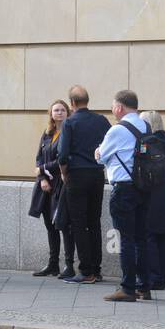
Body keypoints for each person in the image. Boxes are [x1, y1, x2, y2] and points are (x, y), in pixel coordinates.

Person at [97, 90, 150, 302]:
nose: (112, 110)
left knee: (126, 239)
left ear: (119, 107)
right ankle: (143, 286)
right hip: (142, 188)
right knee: (141, 239)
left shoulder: (117, 130)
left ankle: (127, 288)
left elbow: (101, 157)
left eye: (113, 106)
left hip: (123, 189)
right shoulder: (145, 126)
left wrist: (97, 152)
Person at [58, 85, 111, 285]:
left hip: (76, 175)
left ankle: (86, 270)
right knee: (94, 222)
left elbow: (62, 155)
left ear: (71, 103)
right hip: (97, 175)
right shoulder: (101, 121)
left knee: (79, 224)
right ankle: (96, 269)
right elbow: (108, 147)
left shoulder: (70, 123)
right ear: (88, 100)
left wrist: (65, 174)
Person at [30, 100, 71, 277]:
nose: (59, 113)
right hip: (46, 187)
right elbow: (38, 159)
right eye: (56, 110)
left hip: (61, 186)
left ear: (68, 112)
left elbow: (63, 158)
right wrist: (42, 178)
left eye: (62, 110)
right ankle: (52, 263)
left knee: (63, 224)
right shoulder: (47, 133)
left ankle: (69, 264)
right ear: (51, 113)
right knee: (49, 225)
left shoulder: (68, 132)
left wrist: (44, 169)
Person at [140, 109, 165, 291]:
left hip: (150, 193)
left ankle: (154, 278)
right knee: (162, 237)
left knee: (149, 236)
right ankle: (161, 277)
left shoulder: (146, 142)